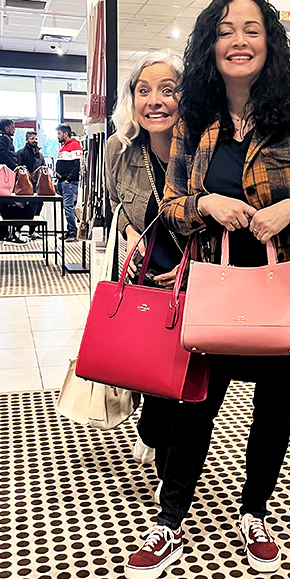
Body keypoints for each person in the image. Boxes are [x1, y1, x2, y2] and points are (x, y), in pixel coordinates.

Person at [124, 0, 290, 579]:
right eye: (226, 30)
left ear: (269, 42)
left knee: (275, 405)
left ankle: (255, 511)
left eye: (252, 30)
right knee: (193, 404)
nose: (239, 41)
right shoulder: (196, 116)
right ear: (210, 44)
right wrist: (206, 202)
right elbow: (172, 204)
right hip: (217, 286)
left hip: (288, 289)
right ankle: (170, 521)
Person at [105, 51, 185, 493]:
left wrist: (189, 267)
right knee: (154, 382)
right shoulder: (120, 149)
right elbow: (115, 208)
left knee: (189, 379)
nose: (155, 101)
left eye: (168, 89)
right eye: (144, 90)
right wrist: (131, 228)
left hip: (195, 279)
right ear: (132, 98)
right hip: (143, 281)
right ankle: (156, 435)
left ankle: (173, 470)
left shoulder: (202, 147)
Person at [0, 118, 28, 245]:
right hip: (5, 175)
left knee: (3, 203)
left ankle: (1, 234)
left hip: (1, 174)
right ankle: (11, 235)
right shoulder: (3, 138)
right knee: (9, 204)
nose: (14, 129)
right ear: (6, 127)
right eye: (13, 127)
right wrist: (13, 166)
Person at [16, 130, 45, 241]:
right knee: (23, 208)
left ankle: (32, 231)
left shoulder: (40, 155)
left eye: (36, 138)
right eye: (32, 138)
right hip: (25, 185)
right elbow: (19, 168)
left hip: (38, 186)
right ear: (26, 140)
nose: (34, 141)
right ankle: (17, 230)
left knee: (37, 207)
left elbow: (43, 167)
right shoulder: (21, 153)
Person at [55, 124, 82, 241]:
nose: (58, 136)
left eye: (59, 133)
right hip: (63, 182)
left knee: (68, 207)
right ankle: (70, 230)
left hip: (68, 183)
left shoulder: (74, 145)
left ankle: (73, 232)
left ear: (66, 134)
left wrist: (68, 179)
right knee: (67, 207)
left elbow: (77, 164)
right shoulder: (63, 147)